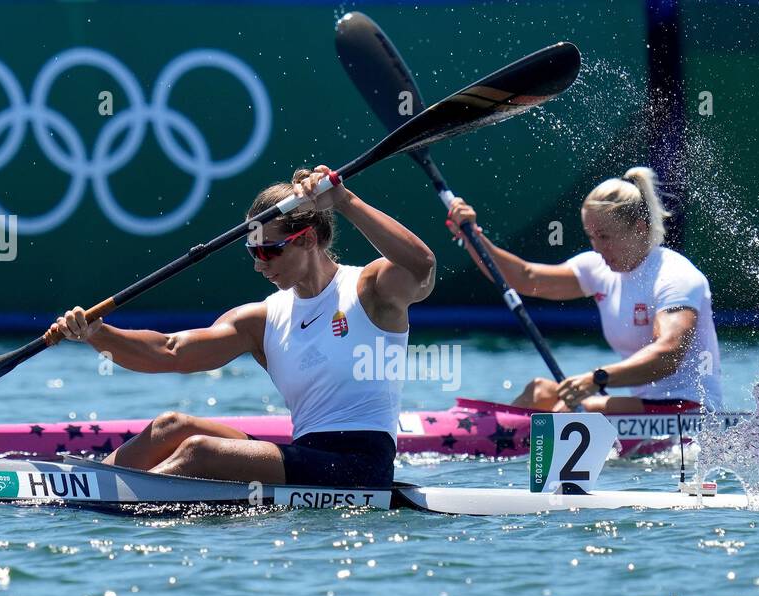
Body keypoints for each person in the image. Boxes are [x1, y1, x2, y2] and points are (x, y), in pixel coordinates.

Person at [51, 165, 435, 486]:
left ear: (310, 239)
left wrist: (344, 201)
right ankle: (85, 487)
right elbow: (169, 351)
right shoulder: (262, 319)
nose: (259, 264)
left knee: (199, 452)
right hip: (306, 456)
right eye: (253, 251)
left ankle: (111, 501)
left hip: (359, 468)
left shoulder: (370, 291)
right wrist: (96, 333)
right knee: (171, 427)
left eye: (269, 250)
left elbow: (422, 267)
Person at [445, 166, 723, 412]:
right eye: (591, 237)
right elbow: (525, 278)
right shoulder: (599, 269)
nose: (597, 247)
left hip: (688, 410)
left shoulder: (674, 276)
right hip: (644, 408)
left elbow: (668, 355)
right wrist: (472, 236)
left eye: (605, 237)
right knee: (538, 393)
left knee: (577, 407)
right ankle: (500, 446)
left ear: (639, 228)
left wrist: (597, 379)